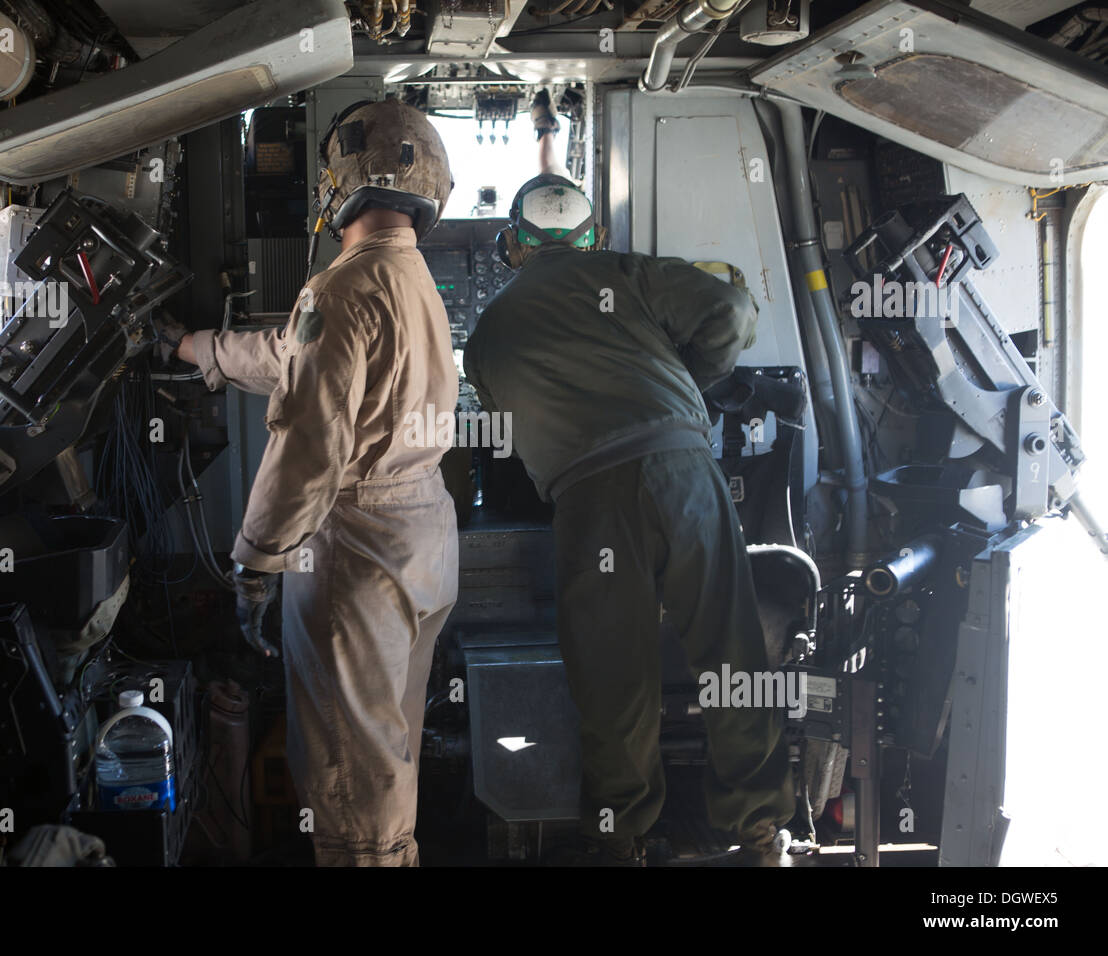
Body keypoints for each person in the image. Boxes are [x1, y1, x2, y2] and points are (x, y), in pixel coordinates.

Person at [463, 92, 794, 865]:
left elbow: (498, 437)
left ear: (513, 243)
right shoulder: (624, 272)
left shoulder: (488, 333)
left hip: (591, 497)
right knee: (731, 650)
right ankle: (760, 831)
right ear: (590, 235)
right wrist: (692, 384)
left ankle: (621, 841)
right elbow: (730, 311)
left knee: (614, 681)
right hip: (684, 469)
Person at [163, 98, 459, 866]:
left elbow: (309, 445)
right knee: (384, 751)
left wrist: (257, 560)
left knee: (347, 777)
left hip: (356, 547)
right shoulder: (406, 276)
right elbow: (293, 357)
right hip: (422, 538)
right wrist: (199, 348)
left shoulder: (341, 289)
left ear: (336, 186)